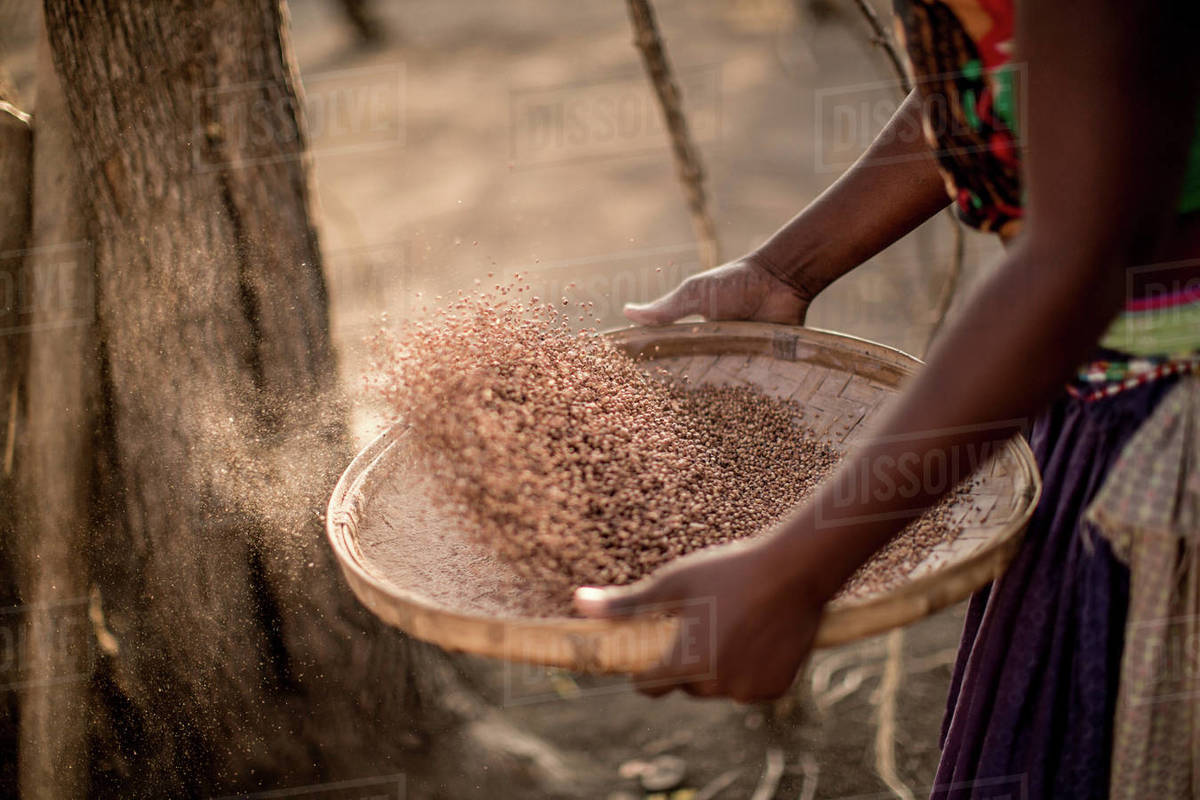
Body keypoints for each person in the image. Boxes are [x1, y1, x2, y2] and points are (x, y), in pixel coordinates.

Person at [574, 2, 1200, 798]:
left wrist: (794, 572)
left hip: (1167, 424)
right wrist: (785, 271)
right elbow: (1025, 81)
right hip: (1094, 385)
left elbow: (1084, 258)